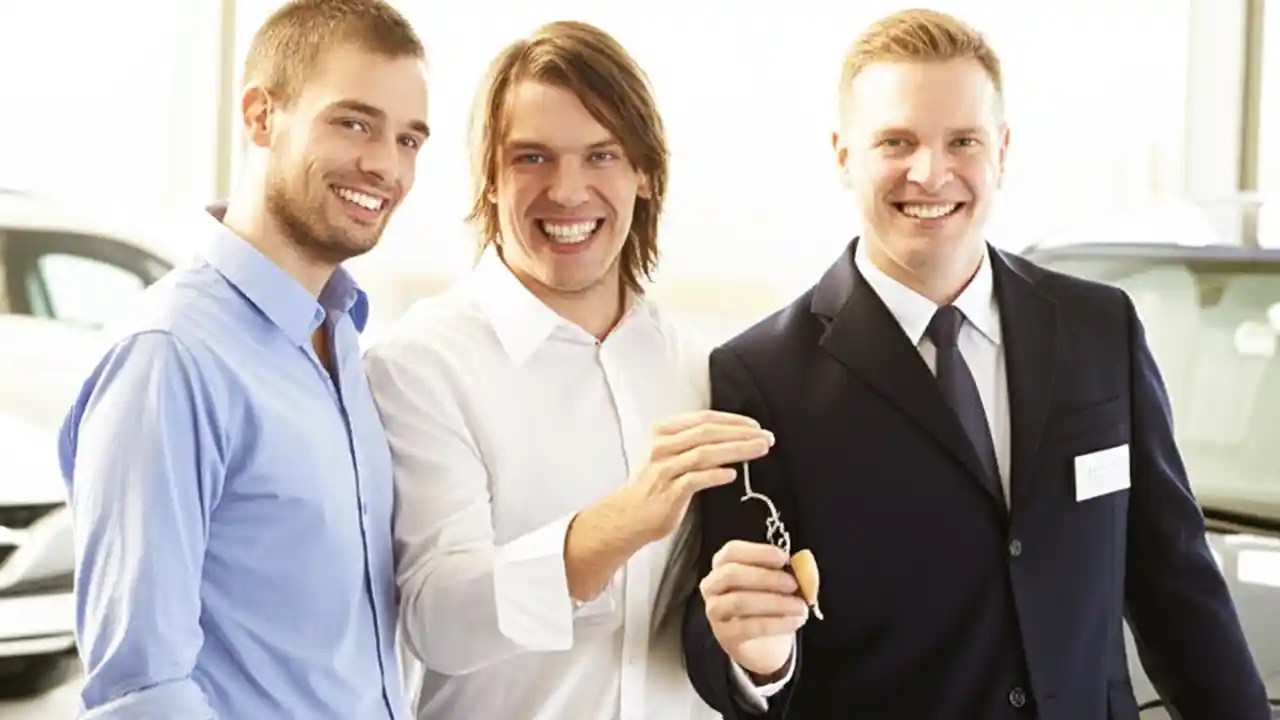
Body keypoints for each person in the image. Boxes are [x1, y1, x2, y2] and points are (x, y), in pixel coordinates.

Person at [682, 8, 1271, 720]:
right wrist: (756, 659)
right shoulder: (760, 377)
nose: (931, 173)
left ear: (1002, 149)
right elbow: (729, 632)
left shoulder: (1098, 329)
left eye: (962, 140)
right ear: (843, 155)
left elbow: (1176, 581)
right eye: (896, 141)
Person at [362, 20, 771, 720]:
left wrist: (762, 654)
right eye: (531, 158)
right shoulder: (420, 365)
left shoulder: (700, 366)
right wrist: (616, 525)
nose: (569, 190)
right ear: (489, 179)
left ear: (644, 172)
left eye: (601, 155)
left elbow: (719, 639)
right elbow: (435, 621)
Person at [56, 1, 429, 717]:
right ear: (261, 116)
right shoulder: (169, 358)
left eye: (409, 139)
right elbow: (143, 691)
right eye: (353, 122)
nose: (385, 164)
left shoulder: (343, 339)